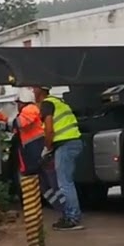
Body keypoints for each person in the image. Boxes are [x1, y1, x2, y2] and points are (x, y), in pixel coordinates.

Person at [33, 85, 85, 231]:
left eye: (34, 89)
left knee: (64, 183)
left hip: (65, 144)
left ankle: (72, 218)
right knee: (66, 181)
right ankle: (69, 215)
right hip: (72, 142)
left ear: (40, 90)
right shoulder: (58, 101)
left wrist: (47, 148)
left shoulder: (47, 104)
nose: (32, 92)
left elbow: (49, 129)